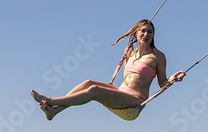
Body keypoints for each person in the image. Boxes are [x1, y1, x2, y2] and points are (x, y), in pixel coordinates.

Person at [31, 19, 185, 120]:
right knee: (88, 82)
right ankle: (54, 111)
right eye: (143, 31)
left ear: (153, 35)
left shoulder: (158, 56)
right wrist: (126, 56)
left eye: (150, 32)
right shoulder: (131, 52)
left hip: (134, 102)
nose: (146, 34)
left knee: (94, 90)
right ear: (136, 33)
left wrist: (172, 79)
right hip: (120, 93)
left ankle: (51, 100)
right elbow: (128, 75)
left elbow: (162, 82)